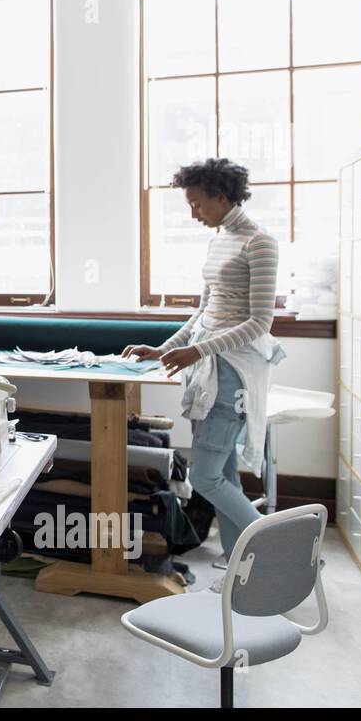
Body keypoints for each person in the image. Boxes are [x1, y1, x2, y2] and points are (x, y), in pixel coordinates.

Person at [123, 158, 285, 566]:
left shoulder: (259, 242)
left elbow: (260, 323)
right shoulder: (219, 240)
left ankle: (281, 551)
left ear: (221, 196)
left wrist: (199, 350)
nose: (192, 212)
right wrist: (162, 348)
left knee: (205, 477)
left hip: (234, 370)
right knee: (224, 474)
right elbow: (202, 315)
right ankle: (239, 564)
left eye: (197, 203)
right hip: (207, 366)